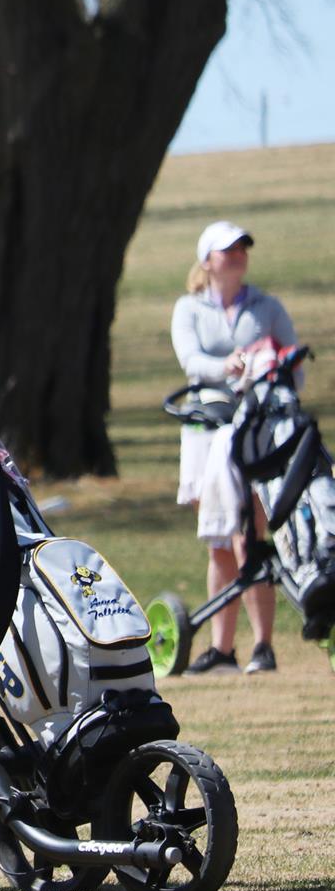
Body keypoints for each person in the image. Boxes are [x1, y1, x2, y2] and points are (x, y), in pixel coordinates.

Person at [171, 220, 297, 675]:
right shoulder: (189, 308)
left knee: (250, 537)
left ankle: (263, 646)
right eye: (229, 249)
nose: (239, 254)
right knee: (219, 542)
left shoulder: (267, 306)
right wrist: (226, 366)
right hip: (205, 432)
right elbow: (191, 359)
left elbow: (292, 361)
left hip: (253, 431)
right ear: (207, 260)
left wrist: (268, 376)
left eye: (243, 247)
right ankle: (222, 649)